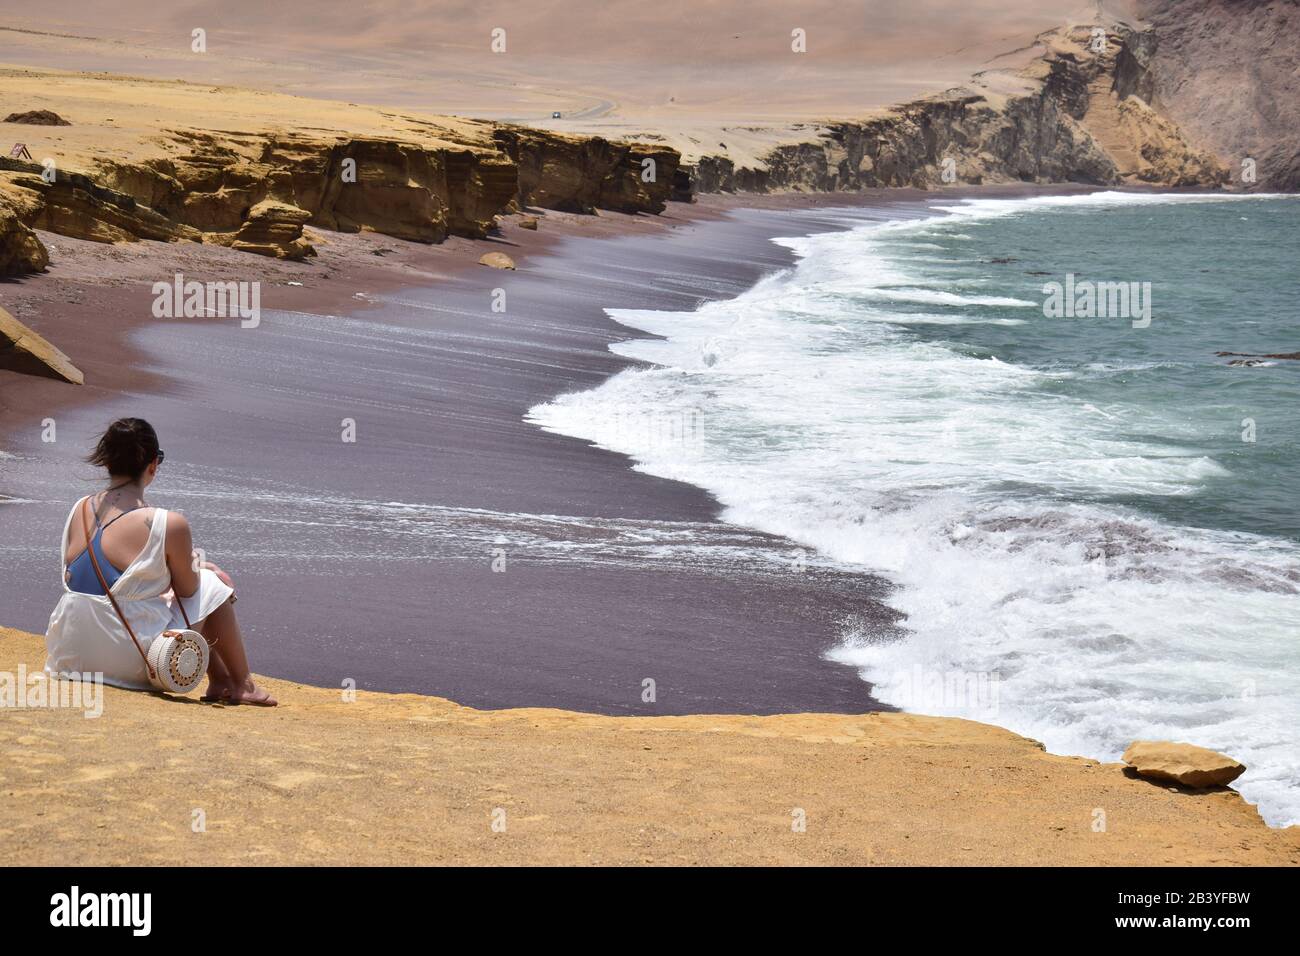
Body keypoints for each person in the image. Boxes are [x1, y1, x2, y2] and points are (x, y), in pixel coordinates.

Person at [45, 418, 276, 705]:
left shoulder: (80, 507)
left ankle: (220, 681)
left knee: (188, 584)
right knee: (211, 583)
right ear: (153, 465)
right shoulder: (167, 523)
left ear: (107, 463)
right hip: (131, 662)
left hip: (69, 655)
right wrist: (198, 567)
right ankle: (243, 684)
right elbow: (190, 590)